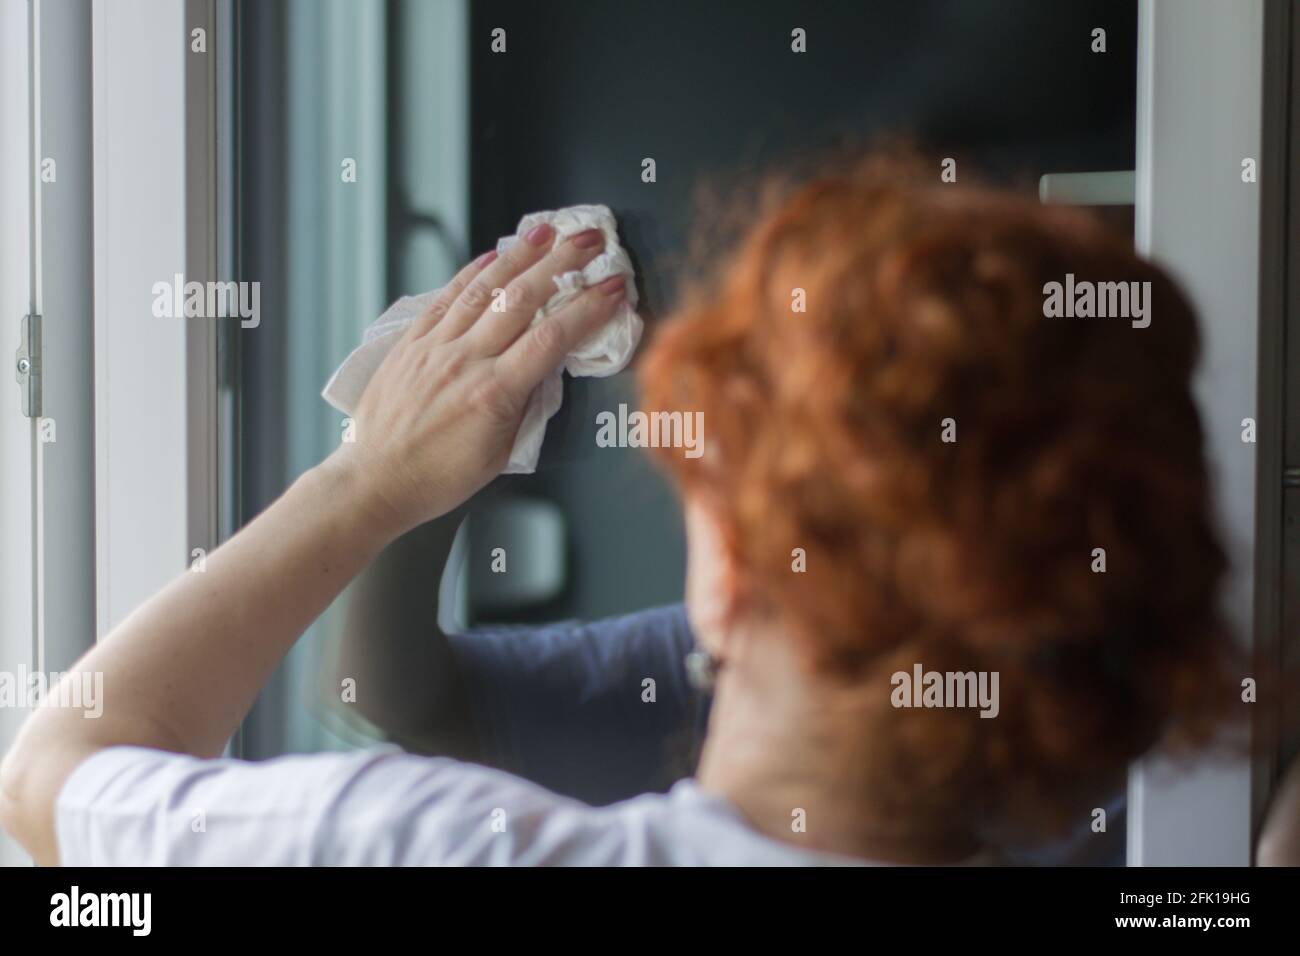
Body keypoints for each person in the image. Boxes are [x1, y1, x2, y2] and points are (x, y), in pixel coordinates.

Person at [0, 155, 1237, 866]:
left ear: (733, 574)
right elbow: (404, 698)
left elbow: (54, 775)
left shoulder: (424, 849)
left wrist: (368, 478)